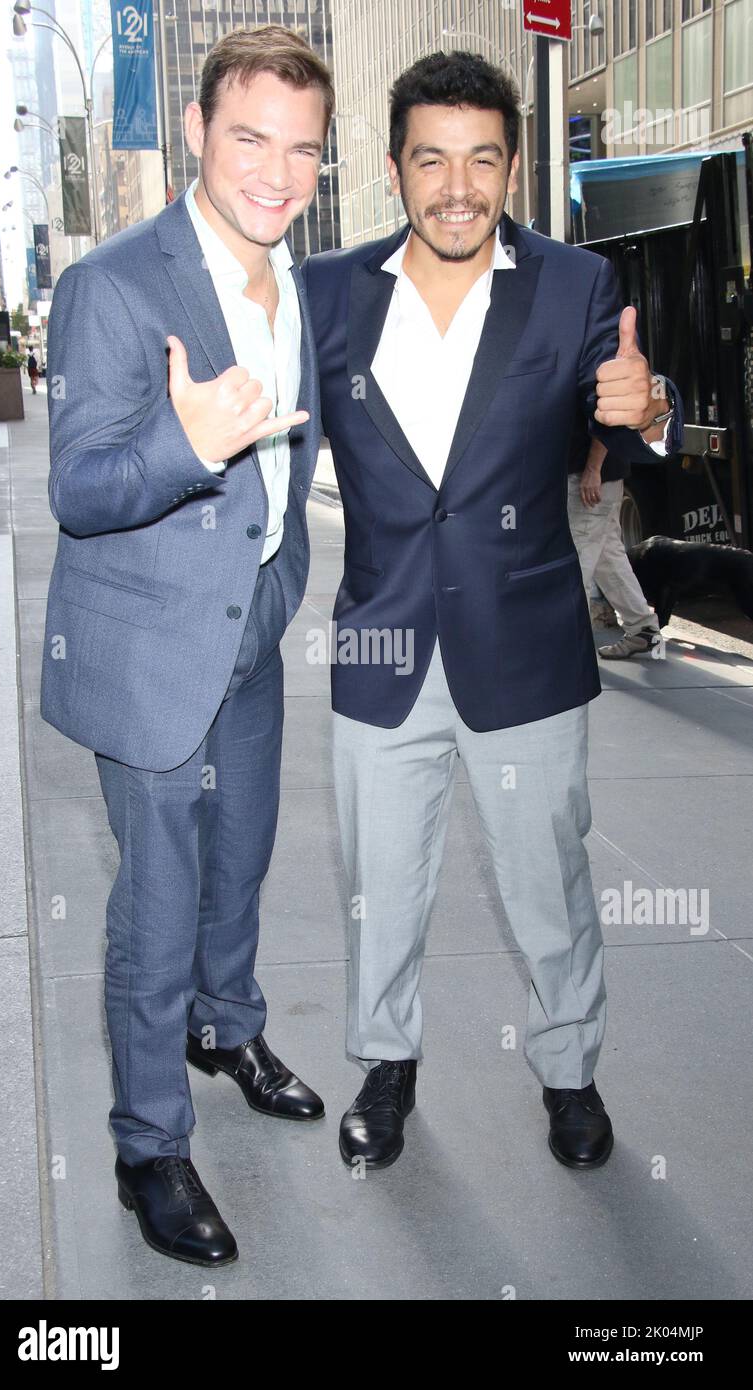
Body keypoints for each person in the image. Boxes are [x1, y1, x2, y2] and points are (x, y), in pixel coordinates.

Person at [303, 51, 681, 1174]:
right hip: (378, 643)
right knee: (379, 884)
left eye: (480, 159)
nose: (455, 187)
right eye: (431, 159)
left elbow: (623, 409)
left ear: (510, 167)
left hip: (520, 646)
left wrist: (645, 407)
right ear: (392, 170)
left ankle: (568, 1071)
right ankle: (384, 1064)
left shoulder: (572, 287)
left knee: (546, 881)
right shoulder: (325, 292)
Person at [40, 26, 333, 1267]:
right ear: (202, 134)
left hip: (251, 629)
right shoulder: (113, 284)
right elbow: (78, 487)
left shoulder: (289, 269)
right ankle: (146, 1146)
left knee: (242, 864)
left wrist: (281, 591)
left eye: (302, 149)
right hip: (151, 650)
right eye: (250, 137)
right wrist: (187, 440)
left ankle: (228, 1025)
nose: (275, 171)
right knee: (154, 905)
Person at [567, 428, 662, 658]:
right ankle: (643, 628)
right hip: (599, 474)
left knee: (578, 562)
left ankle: (567, 648)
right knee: (607, 555)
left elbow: (608, 419)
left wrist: (593, 469)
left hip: (589, 477)